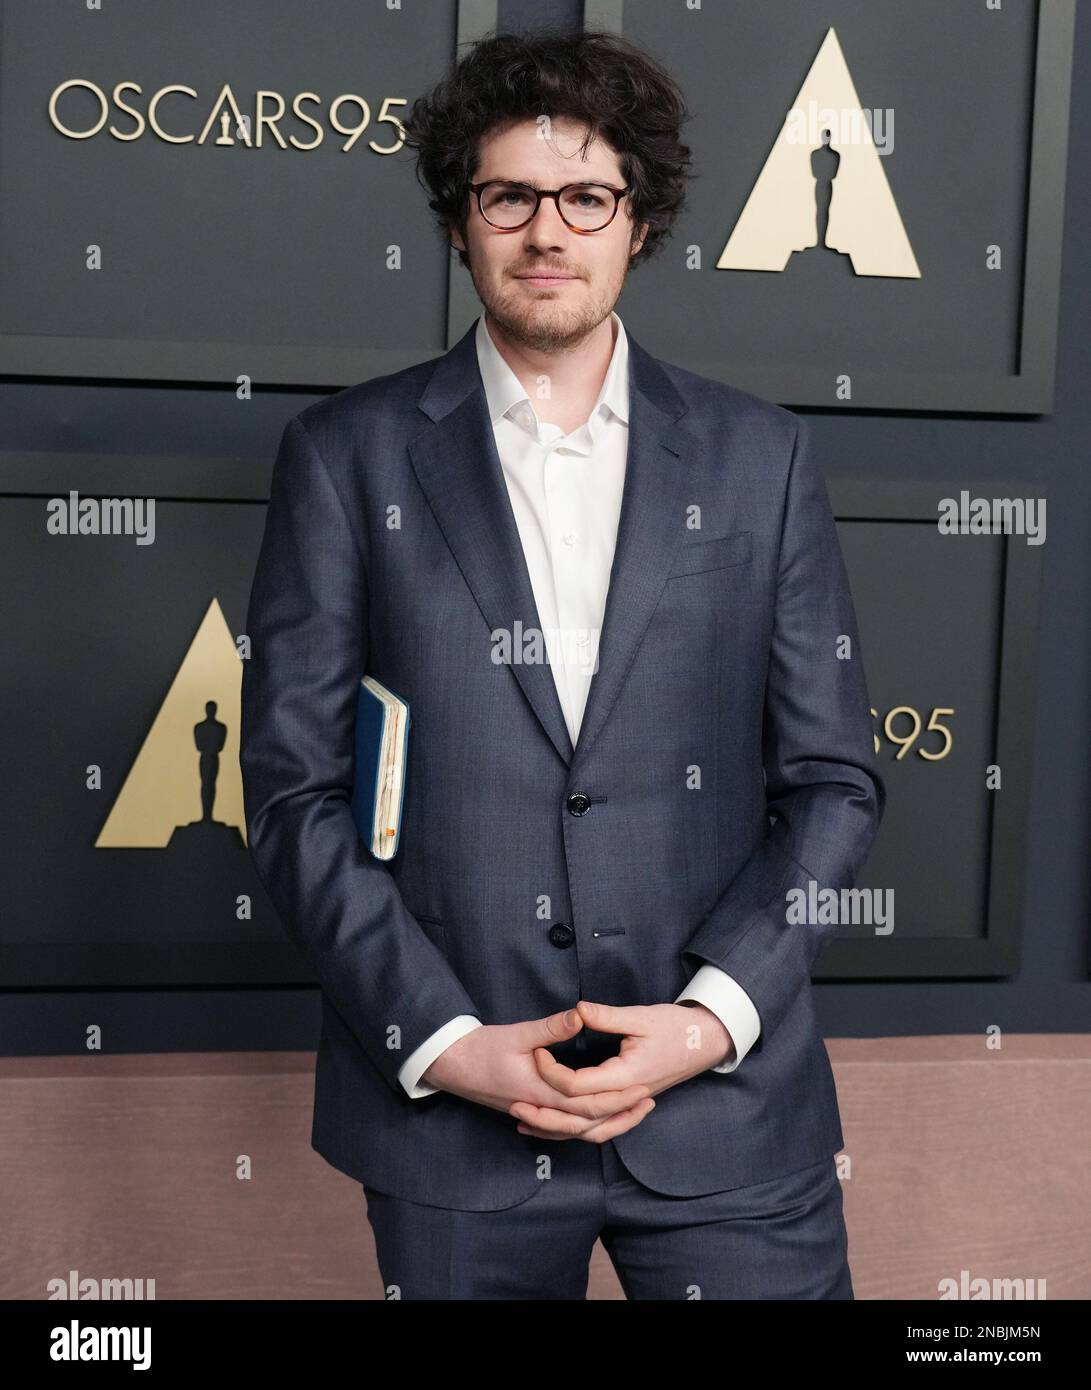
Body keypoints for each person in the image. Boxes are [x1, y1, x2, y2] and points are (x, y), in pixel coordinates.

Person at [240, 29, 885, 1300]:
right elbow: (295, 797)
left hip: (728, 1113)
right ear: (459, 219)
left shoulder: (762, 460)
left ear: (635, 221)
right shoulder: (344, 458)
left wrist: (705, 1023)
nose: (548, 230)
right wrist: (445, 1043)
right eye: (509, 196)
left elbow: (833, 784)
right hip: (454, 1121)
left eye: (586, 195)